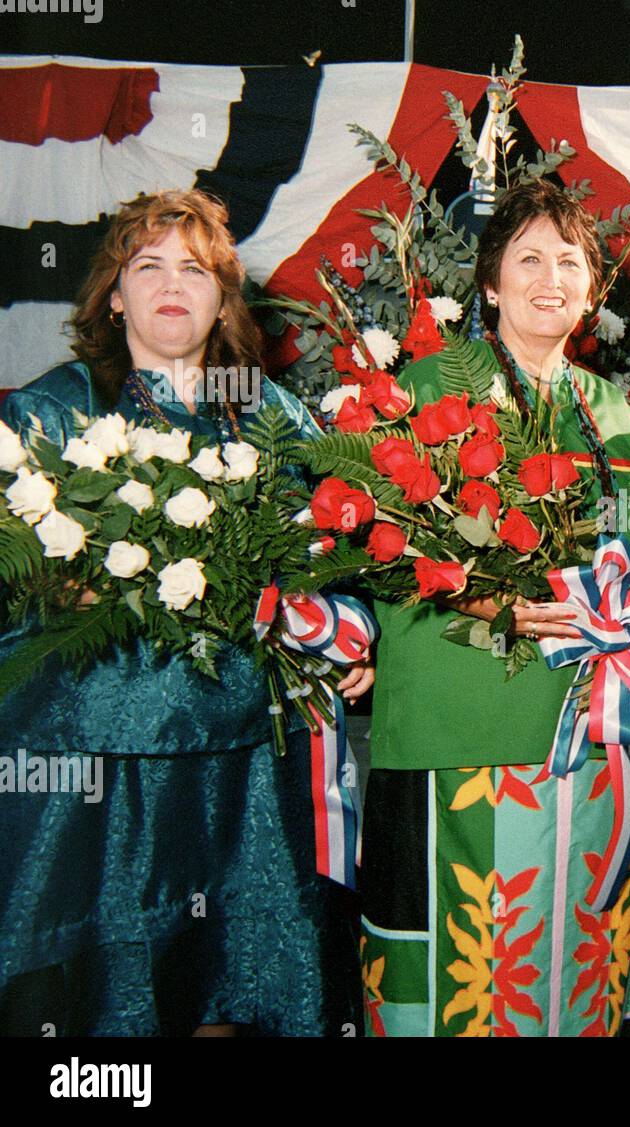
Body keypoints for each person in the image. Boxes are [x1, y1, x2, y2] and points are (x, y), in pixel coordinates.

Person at [0, 189, 371, 1036]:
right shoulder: (51, 410)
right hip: (95, 762)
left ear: (222, 297)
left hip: (247, 762)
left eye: (196, 270)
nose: (174, 285)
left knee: (238, 987)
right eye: (149, 266)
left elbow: (335, 562)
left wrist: (348, 635)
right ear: (114, 294)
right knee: (101, 1004)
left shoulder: (270, 414)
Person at [359, 178, 630, 1038]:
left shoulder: (614, 408)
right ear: (489, 281)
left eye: (570, 260)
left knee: (579, 983)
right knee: (470, 983)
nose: (551, 277)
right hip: (464, 733)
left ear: (591, 287)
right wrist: (502, 608)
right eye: (529, 258)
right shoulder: (433, 387)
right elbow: (382, 550)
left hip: (596, 735)